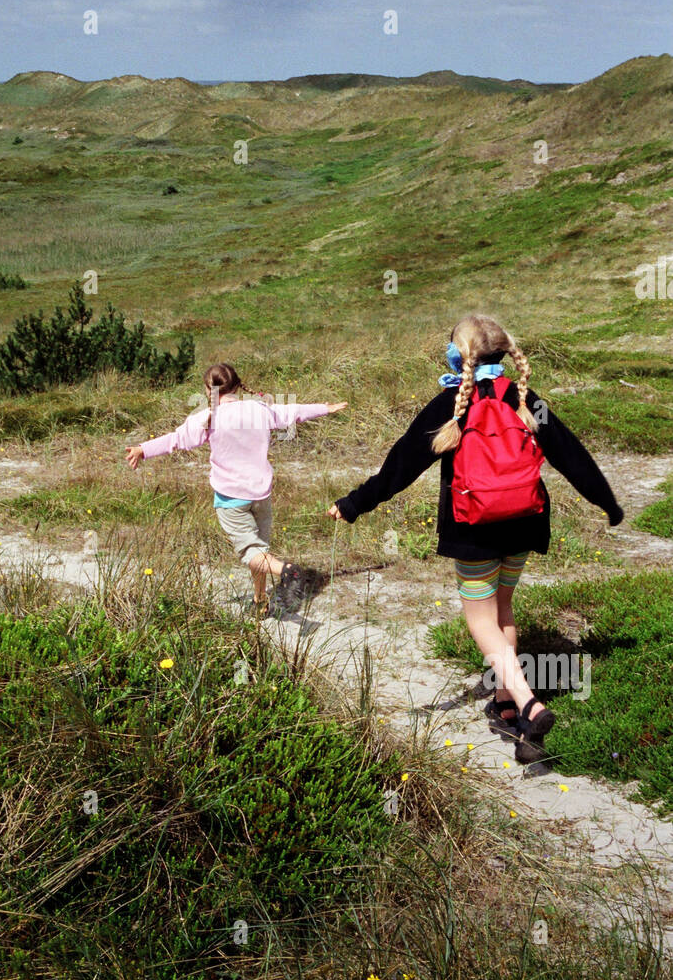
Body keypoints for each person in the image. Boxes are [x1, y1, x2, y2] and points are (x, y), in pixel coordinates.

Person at [328, 314, 624, 762]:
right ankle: (507, 708)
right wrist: (607, 502)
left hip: (473, 528)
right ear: (504, 353)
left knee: (481, 618)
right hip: (524, 522)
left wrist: (353, 504)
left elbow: (400, 466)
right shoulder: (526, 399)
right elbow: (571, 455)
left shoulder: (450, 403)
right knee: (503, 609)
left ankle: (527, 702)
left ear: (457, 354)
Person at [127, 362, 346, 615]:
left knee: (251, 553)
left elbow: (175, 440)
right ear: (237, 385)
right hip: (261, 495)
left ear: (209, 390)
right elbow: (292, 411)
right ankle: (259, 601)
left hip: (231, 500)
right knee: (260, 552)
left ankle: (288, 571)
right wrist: (325, 408)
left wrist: (143, 449)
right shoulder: (259, 409)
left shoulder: (207, 417)